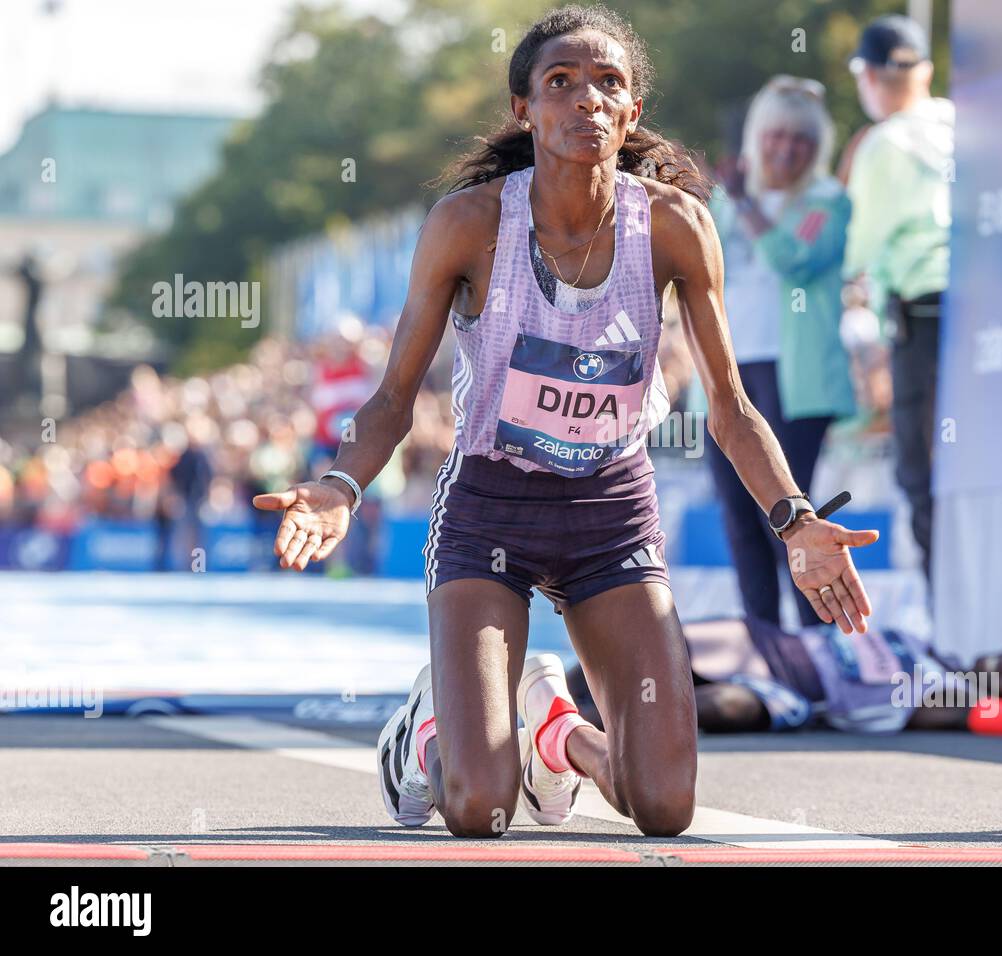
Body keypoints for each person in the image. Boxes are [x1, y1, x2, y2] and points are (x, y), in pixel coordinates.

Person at [253, 4, 879, 839]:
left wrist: (796, 520)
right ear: (525, 109)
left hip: (610, 512)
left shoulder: (676, 224)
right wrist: (338, 487)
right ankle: (420, 738)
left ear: (631, 114)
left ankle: (556, 736)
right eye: (561, 83)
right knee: (479, 806)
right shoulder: (469, 224)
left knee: (663, 806)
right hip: (489, 509)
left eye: (608, 84)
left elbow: (729, 406)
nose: (586, 100)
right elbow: (394, 399)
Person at [699, 76, 858, 629]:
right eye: (777, 136)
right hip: (724, 376)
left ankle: (820, 643)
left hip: (796, 378)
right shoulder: (721, 202)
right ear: (756, 137)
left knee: (792, 513)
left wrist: (746, 204)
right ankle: (766, 643)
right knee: (739, 519)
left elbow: (795, 258)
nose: (787, 150)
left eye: (802, 140)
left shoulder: (827, 201)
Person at [566, 617, 1002, 741]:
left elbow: (983, 717)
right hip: (765, 642)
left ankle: (578, 730)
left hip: (786, 692)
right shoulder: (917, 639)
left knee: (723, 707)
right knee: (638, 638)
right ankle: (553, 694)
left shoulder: (943, 694)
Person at [842, 14, 954, 583]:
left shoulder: (886, 143)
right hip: (984, 313)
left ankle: (951, 622)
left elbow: (855, 245)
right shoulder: (961, 122)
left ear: (871, 76)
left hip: (925, 313)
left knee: (922, 470)